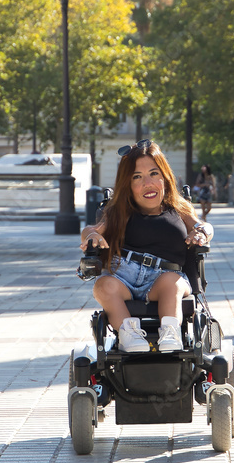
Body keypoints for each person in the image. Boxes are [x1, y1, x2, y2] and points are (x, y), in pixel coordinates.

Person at [80, 140, 213, 353]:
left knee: (172, 283)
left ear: (165, 177)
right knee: (103, 286)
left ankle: (170, 332)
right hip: (124, 275)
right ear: (127, 184)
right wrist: (92, 236)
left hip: (165, 276)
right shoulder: (118, 212)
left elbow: (204, 225)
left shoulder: (178, 209)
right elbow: (90, 229)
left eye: (154, 173)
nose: (147, 183)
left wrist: (202, 233)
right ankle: (129, 335)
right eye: (137, 177)